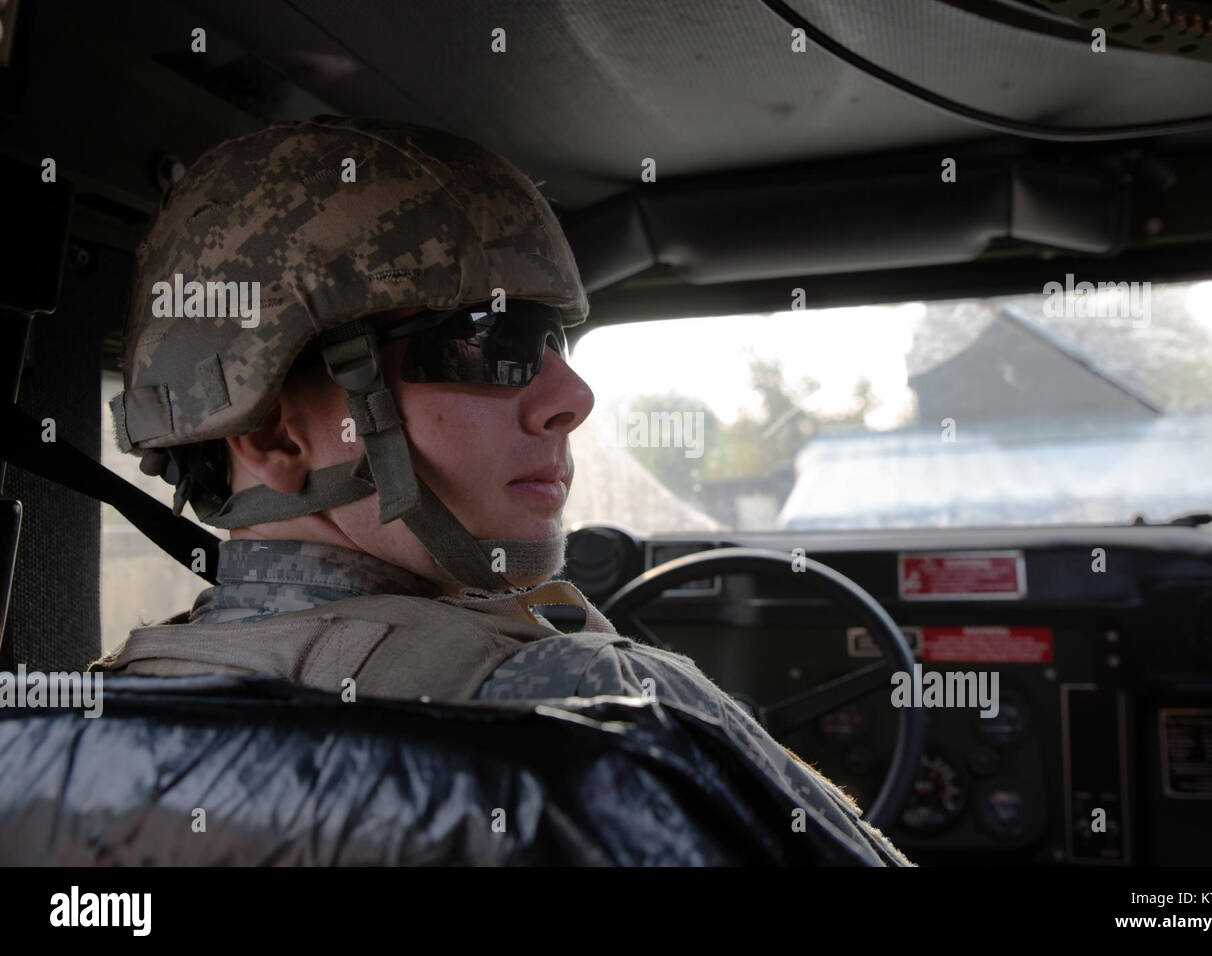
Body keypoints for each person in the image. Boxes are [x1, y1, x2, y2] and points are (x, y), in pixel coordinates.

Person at [90, 115, 910, 866]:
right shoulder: (597, 710)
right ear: (274, 435)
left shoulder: (88, 716)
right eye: (487, 341)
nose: (573, 396)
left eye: (554, 340)